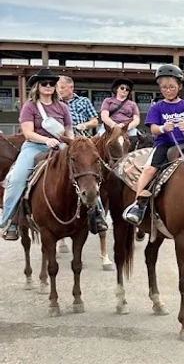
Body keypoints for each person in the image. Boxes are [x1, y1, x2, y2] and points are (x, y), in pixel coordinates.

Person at [121, 65, 184, 225]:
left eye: (171, 87)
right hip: (164, 144)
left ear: (179, 87)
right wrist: (163, 128)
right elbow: (154, 129)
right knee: (149, 169)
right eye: (164, 87)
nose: (168, 90)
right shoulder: (157, 107)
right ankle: (138, 204)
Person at [1, 69, 72, 240]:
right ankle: (11, 220)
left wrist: (71, 143)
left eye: (52, 83)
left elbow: (69, 130)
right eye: (44, 83)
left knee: (85, 172)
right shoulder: (30, 106)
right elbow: (28, 133)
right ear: (37, 86)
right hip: (34, 147)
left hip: (61, 147)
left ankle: (96, 214)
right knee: (16, 179)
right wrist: (46, 140)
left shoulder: (62, 107)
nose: (48, 86)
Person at [56, 76, 108, 234]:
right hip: (61, 141)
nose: (59, 90)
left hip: (83, 142)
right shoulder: (55, 103)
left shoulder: (84, 101)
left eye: (62, 87)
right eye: (59, 88)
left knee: (90, 173)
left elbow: (95, 121)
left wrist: (85, 124)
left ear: (71, 88)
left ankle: (98, 213)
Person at [99, 78, 141, 147]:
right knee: (98, 140)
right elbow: (104, 116)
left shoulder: (133, 104)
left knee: (141, 141)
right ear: (116, 89)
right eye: (122, 88)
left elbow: (136, 120)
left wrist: (126, 127)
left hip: (128, 128)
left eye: (127, 89)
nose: (125, 90)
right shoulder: (108, 101)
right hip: (110, 127)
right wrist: (115, 126)